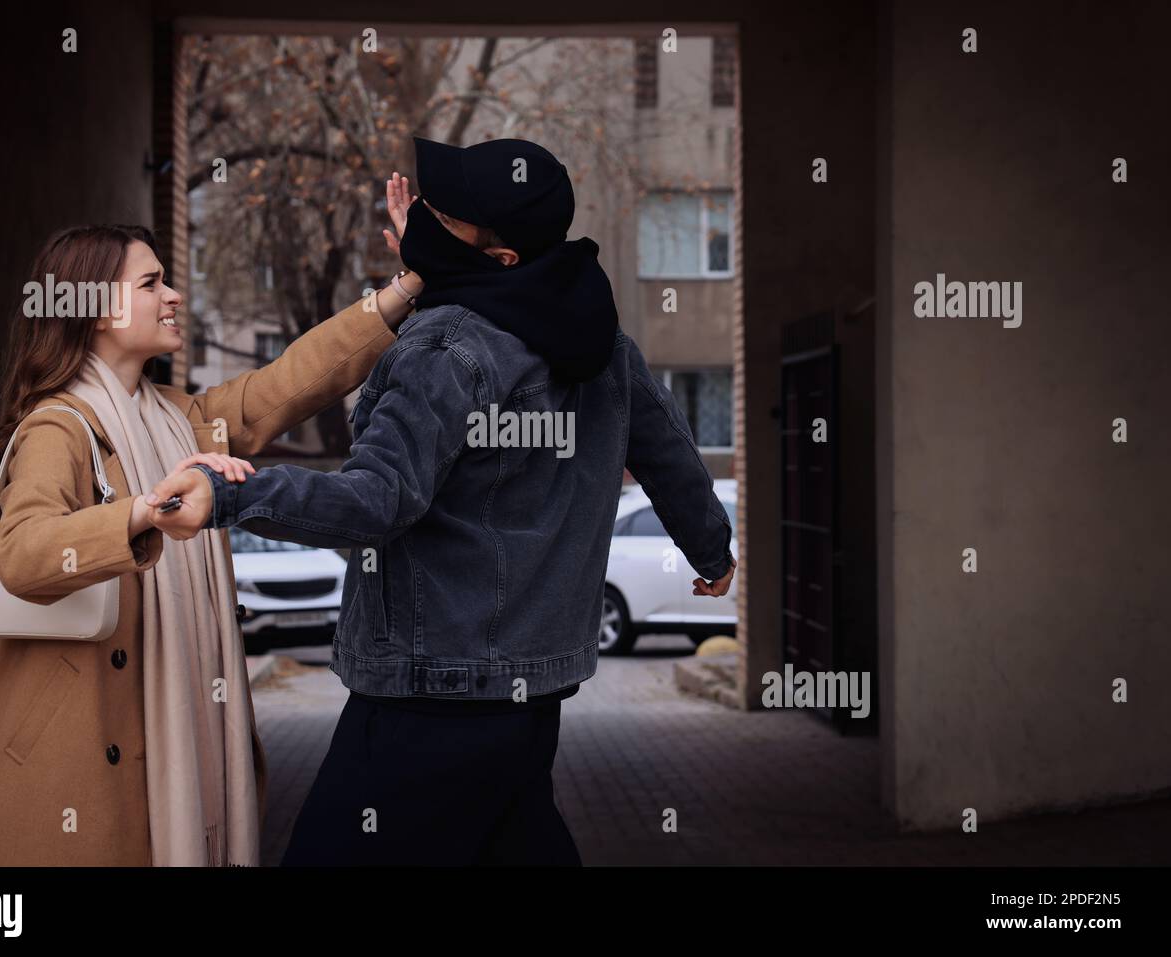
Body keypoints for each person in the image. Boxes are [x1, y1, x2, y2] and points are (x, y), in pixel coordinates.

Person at [145, 136, 736, 866]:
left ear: (500, 259)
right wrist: (711, 547)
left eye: (445, 215)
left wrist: (231, 494)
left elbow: (374, 499)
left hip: (428, 695)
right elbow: (670, 450)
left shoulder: (445, 350)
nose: (423, 213)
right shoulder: (601, 341)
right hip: (534, 690)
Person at [0, 178, 424, 866]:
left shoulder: (181, 417)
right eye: (151, 284)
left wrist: (408, 286)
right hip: (71, 766)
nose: (174, 295)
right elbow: (21, 554)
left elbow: (290, 379)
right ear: (95, 308)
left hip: (150, 745)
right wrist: (139, 513)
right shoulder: (58, 426)